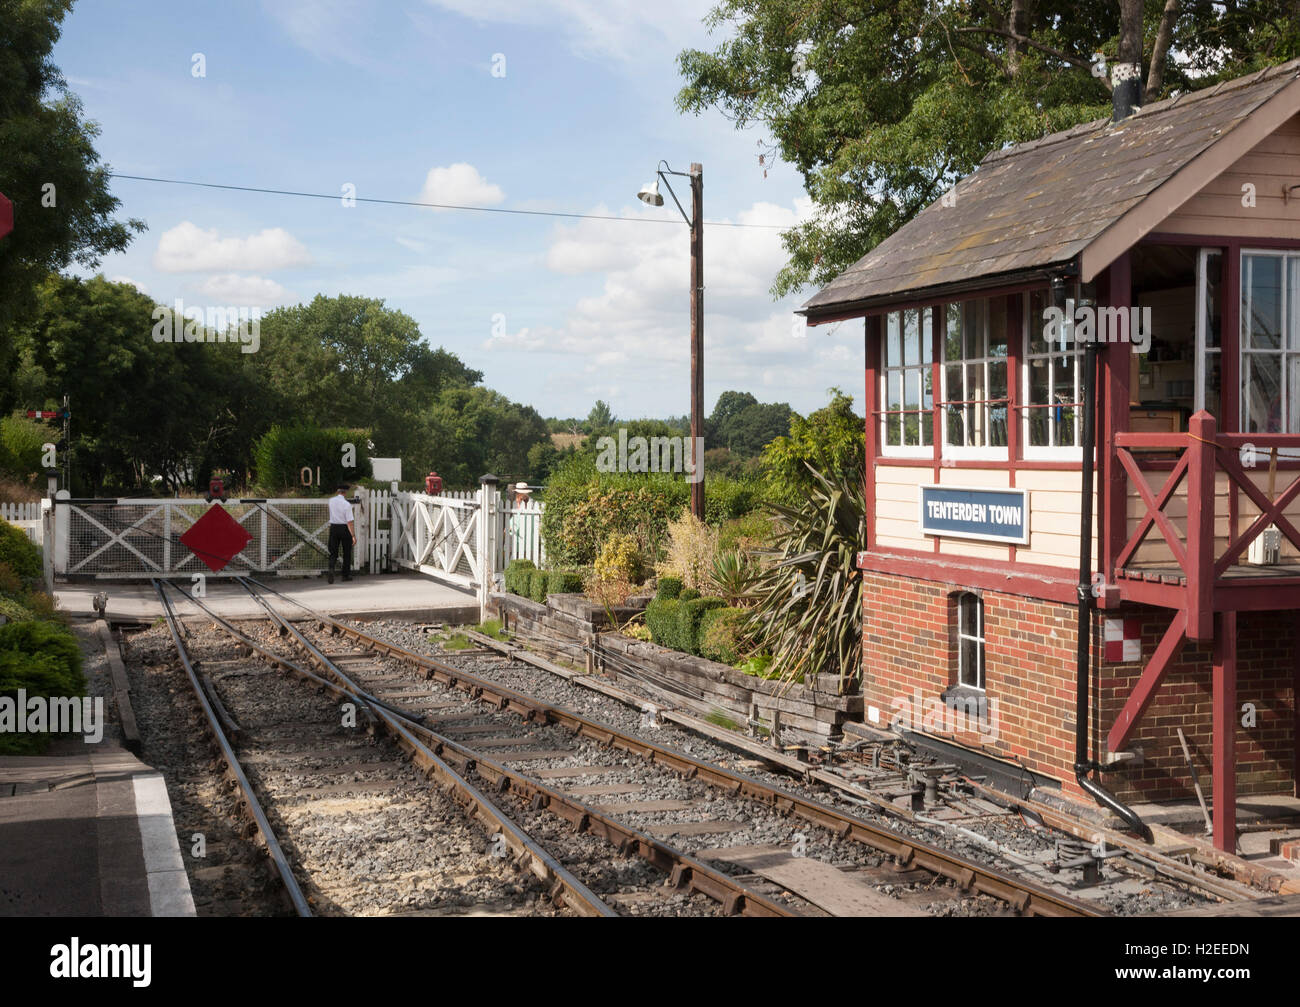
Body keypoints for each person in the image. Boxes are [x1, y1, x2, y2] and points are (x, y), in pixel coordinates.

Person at [327, 483, 356, 584]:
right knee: (346, 552)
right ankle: (345, 575)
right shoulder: (346, 504)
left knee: (333, 552)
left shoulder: (331, 501)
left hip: (334, 527)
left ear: (338, 491)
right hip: (344, 528)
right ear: (345, 492)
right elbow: (350, 521)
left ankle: (331, 569)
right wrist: (353, 535)